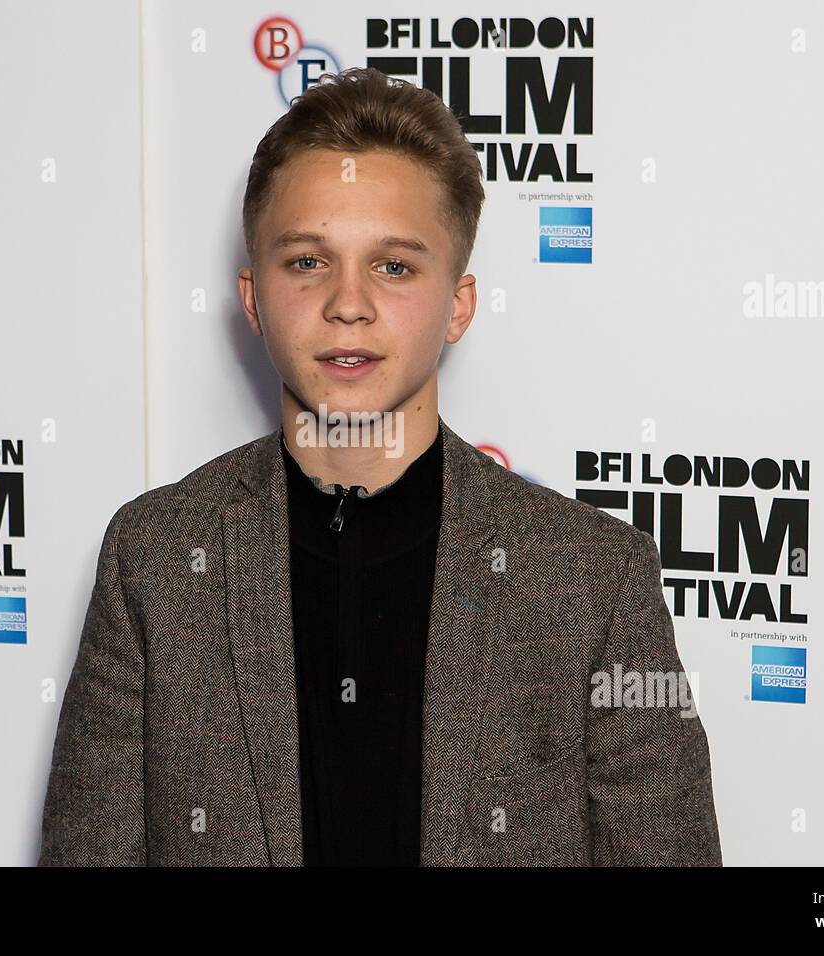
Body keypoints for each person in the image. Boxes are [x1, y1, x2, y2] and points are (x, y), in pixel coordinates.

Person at [38, 65, 722, 866]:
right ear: (253, 299)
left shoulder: (594, 579)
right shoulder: (152, 559)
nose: (348, 304)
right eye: (307, 262)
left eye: (394, 266)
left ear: (458, 305)